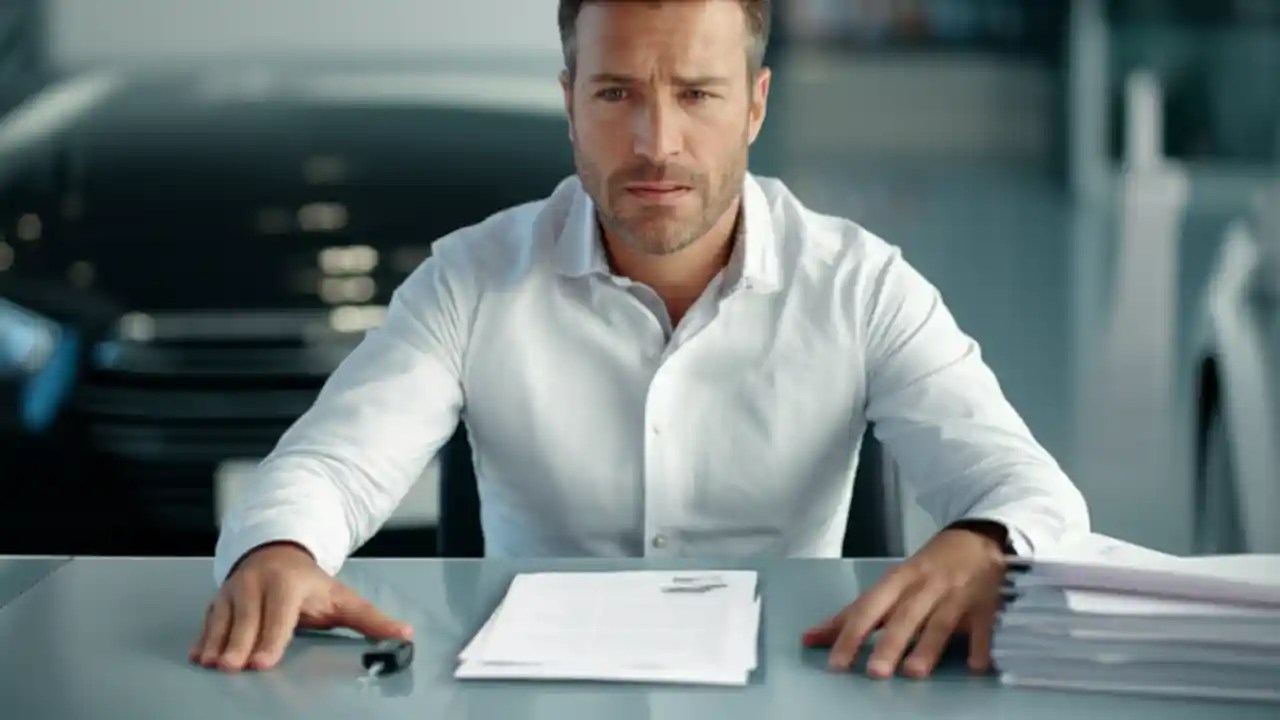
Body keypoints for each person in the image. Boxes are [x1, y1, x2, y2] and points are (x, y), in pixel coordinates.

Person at [192, 0, 1089, 680]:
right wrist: (281, 552)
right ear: (570, 103)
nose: (657, 143)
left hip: (789, 695)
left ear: (755, 105)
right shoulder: (471, 278)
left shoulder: (860, 285)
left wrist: (984, 540)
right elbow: (330, 468)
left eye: (697, 94)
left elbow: (1029, 490)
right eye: (618, 93)